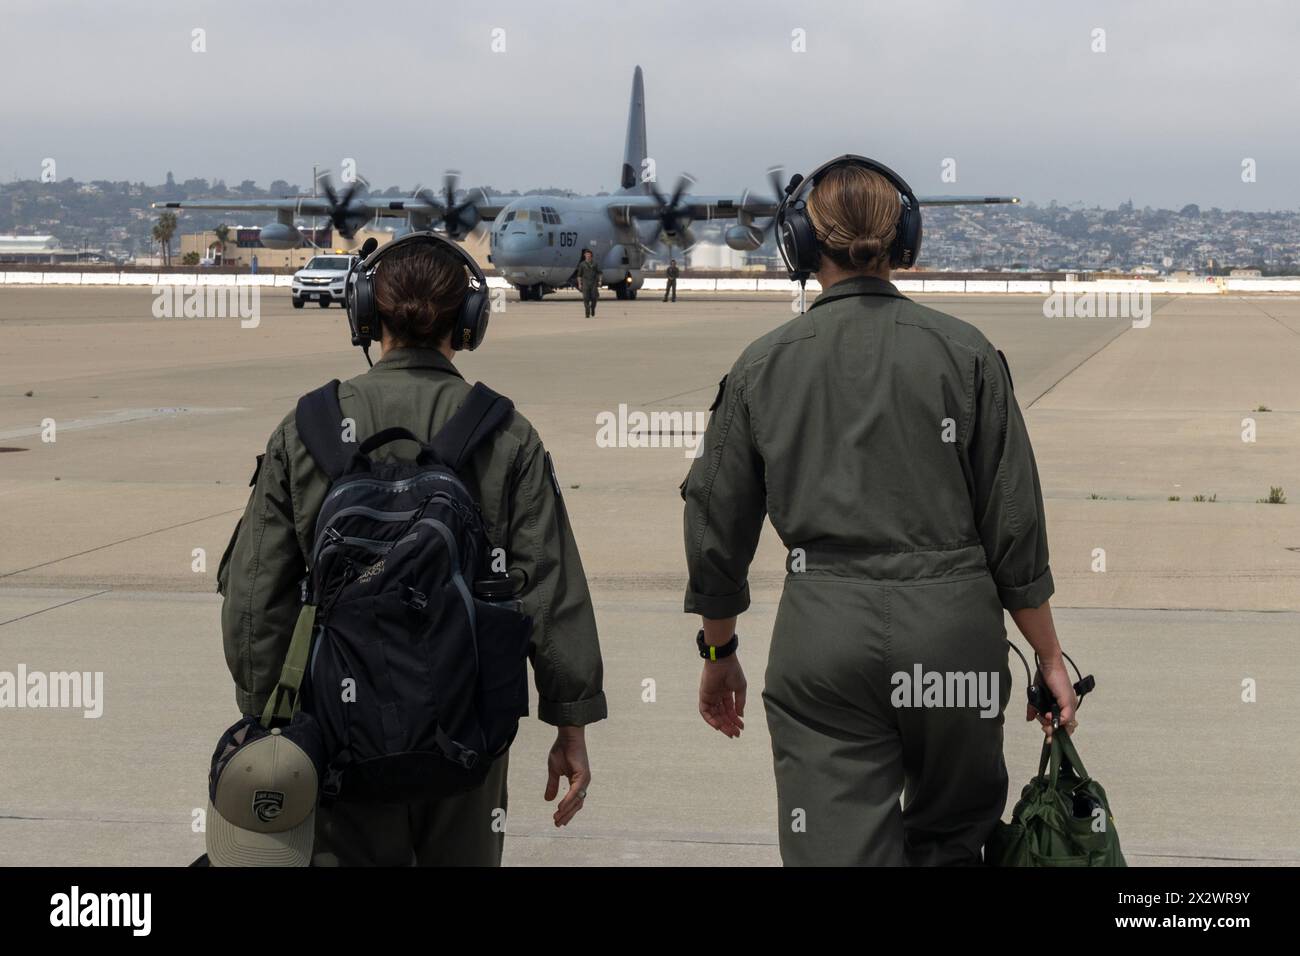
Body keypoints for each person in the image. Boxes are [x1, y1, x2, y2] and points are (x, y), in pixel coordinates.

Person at [681, 156, 1076, 866]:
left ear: (799, 242)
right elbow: (1014, 525)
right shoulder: (968, 355)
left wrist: (720, 651)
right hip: (954, 635)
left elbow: (715, 520)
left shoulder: (761, 365)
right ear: (907, 239)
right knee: (954, 841)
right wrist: (1048, 656)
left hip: (824, 637)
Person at [218, 235, 606, 866]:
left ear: (365, 314)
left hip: (338, 733)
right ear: (470, 323)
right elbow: (548, 585)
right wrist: (570, 720)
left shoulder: (308, 428)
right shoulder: (506, 432)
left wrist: (271, 722)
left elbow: (256, 592)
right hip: (468, 733)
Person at [576, 248, 602, 317]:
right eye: (586, 254)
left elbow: (599, 273)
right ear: (584, 255)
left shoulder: (595, 264)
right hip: (585, 283)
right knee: (585, 298)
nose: (587, 256)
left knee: (594, 297)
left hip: (593, 283)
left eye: (589, 254)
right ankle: (587, 311)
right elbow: (579, 275)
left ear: (591, 255)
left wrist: (600, 281)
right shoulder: (582, 264)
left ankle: (592, 308)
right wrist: (579, 284)